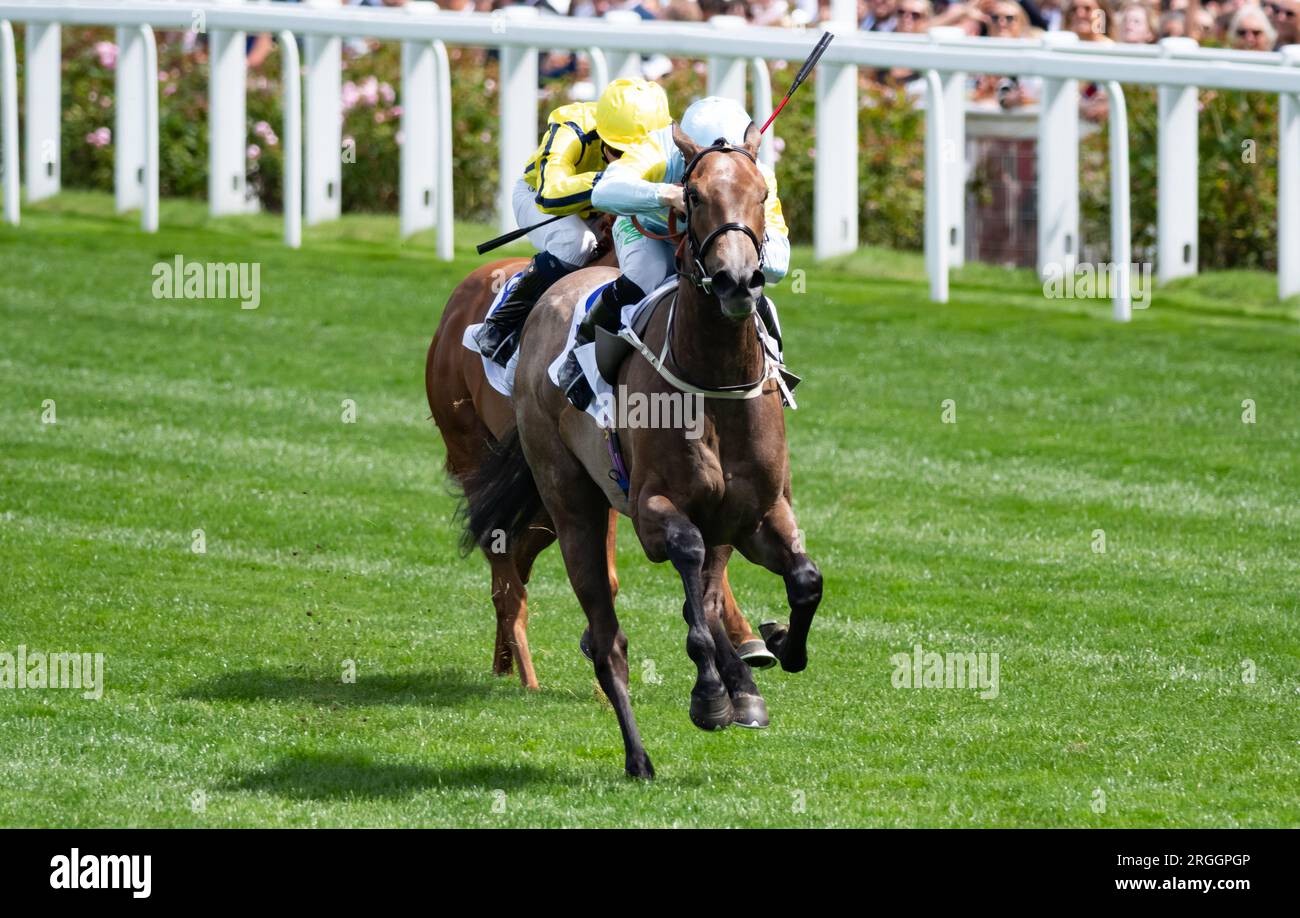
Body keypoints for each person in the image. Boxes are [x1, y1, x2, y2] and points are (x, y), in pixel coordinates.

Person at [555, 95, 792, 410]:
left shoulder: (757, 176)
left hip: (714, 239)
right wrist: (665, 194)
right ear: (685, 149)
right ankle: (580, 349)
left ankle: (775, 369)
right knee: (648, 274)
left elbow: (778, 266)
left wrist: (743, 239)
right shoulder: (658, 149)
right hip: (650, 229)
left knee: (754, 289)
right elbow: (603, 193)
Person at [471, 78, 671, 367]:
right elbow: (550, 194)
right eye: (617, 152)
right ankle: (500, 326)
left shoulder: (665, 133)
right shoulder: (571, 126)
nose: (627, 162)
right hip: (542, 200)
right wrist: (614, 184)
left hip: (607, 208)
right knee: (575, 243)